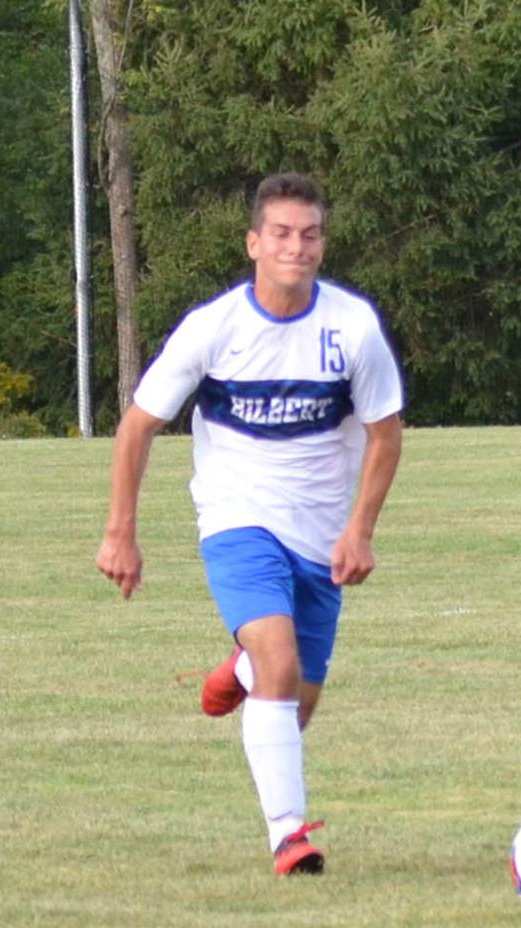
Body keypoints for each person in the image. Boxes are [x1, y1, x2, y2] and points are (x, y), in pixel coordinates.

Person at [95, 173, 405, 876]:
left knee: (294, 705)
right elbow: (139, 426)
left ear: (323, 243)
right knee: (281, 664)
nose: (297, 247)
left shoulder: (352, 327)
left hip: (320, 535)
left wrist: (359, 529)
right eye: (282, 234)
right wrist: (121, 531)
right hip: (236, 520)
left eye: (311, 234)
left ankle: (241, 666)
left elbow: (386, 435)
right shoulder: (214, 328)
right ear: (254, 243)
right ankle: (289, 835)